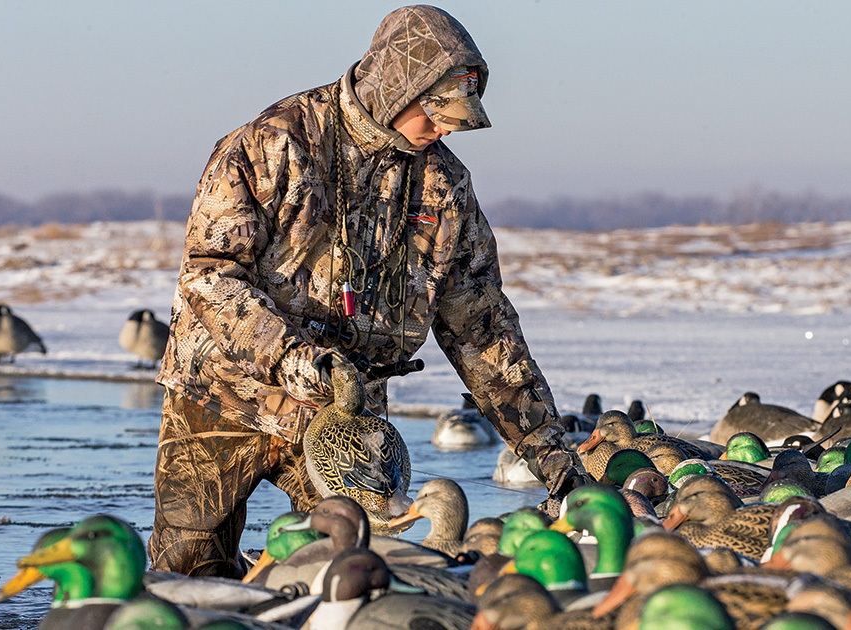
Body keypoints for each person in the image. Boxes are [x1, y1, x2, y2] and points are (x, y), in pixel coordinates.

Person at [150, 4, 587, 577]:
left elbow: (483, 331)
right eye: (436, 112)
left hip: (350, 420)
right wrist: (297, 359)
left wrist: (551, 456)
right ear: (395, 86)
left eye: (455, 119)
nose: (445, 129)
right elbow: (211, 276)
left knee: (359, 576)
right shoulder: (274, 144)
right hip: (223, 395)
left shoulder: (446, 187)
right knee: (186, 575)